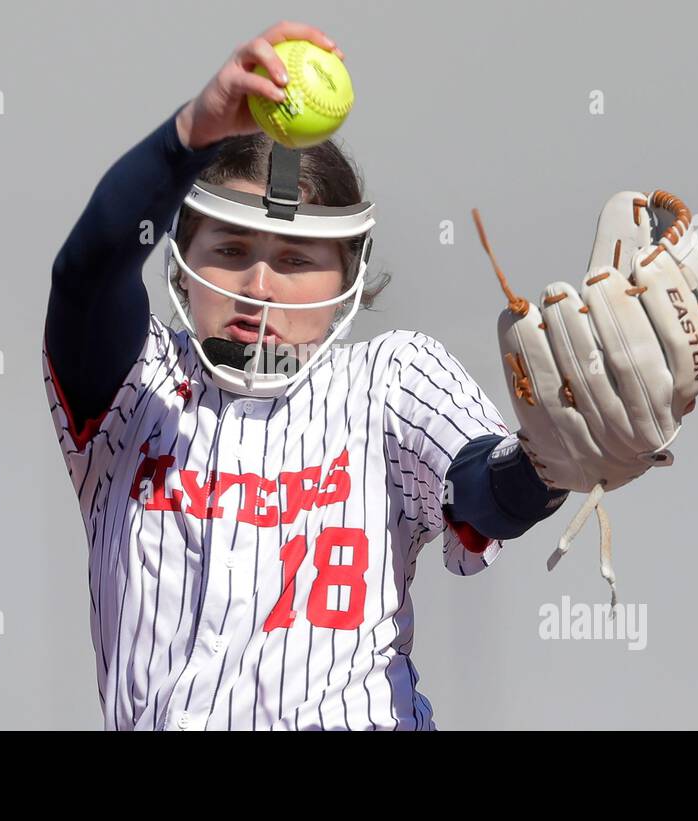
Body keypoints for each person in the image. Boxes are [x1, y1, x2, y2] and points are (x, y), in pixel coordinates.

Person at [42, 20, 568, 731]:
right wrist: (188, 136)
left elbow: (481, 489)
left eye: (295, 259)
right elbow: (85, 274)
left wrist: (544, 466)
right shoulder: (137, 386)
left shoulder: (389, 379)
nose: (258, 283)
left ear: (346, 278)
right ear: (181, 261)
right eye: (230, 248)